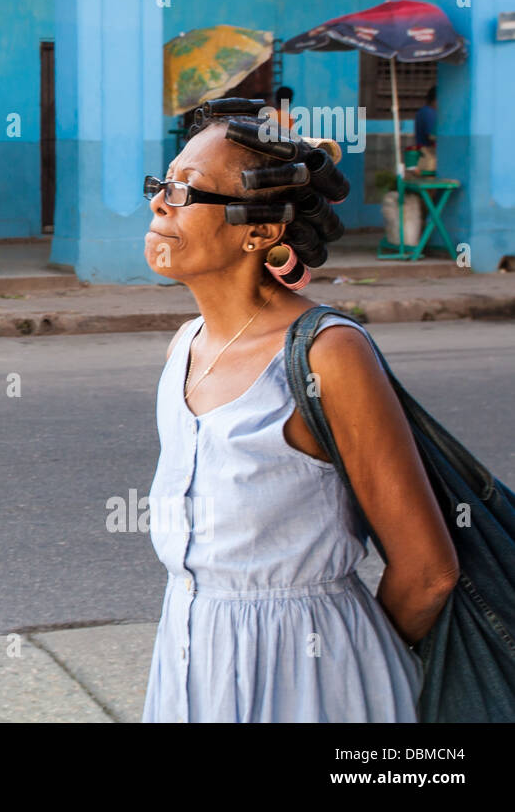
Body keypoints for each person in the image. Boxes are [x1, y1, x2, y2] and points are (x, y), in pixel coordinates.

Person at [140, 101, 458, 723]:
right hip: (189, 663)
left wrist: (352, 664)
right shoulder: (186, 345)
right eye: (162, 183)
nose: (159, 203)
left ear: (259, 231)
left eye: (186, 190)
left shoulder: (328, 353)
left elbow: (429, 571)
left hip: (314, 679)